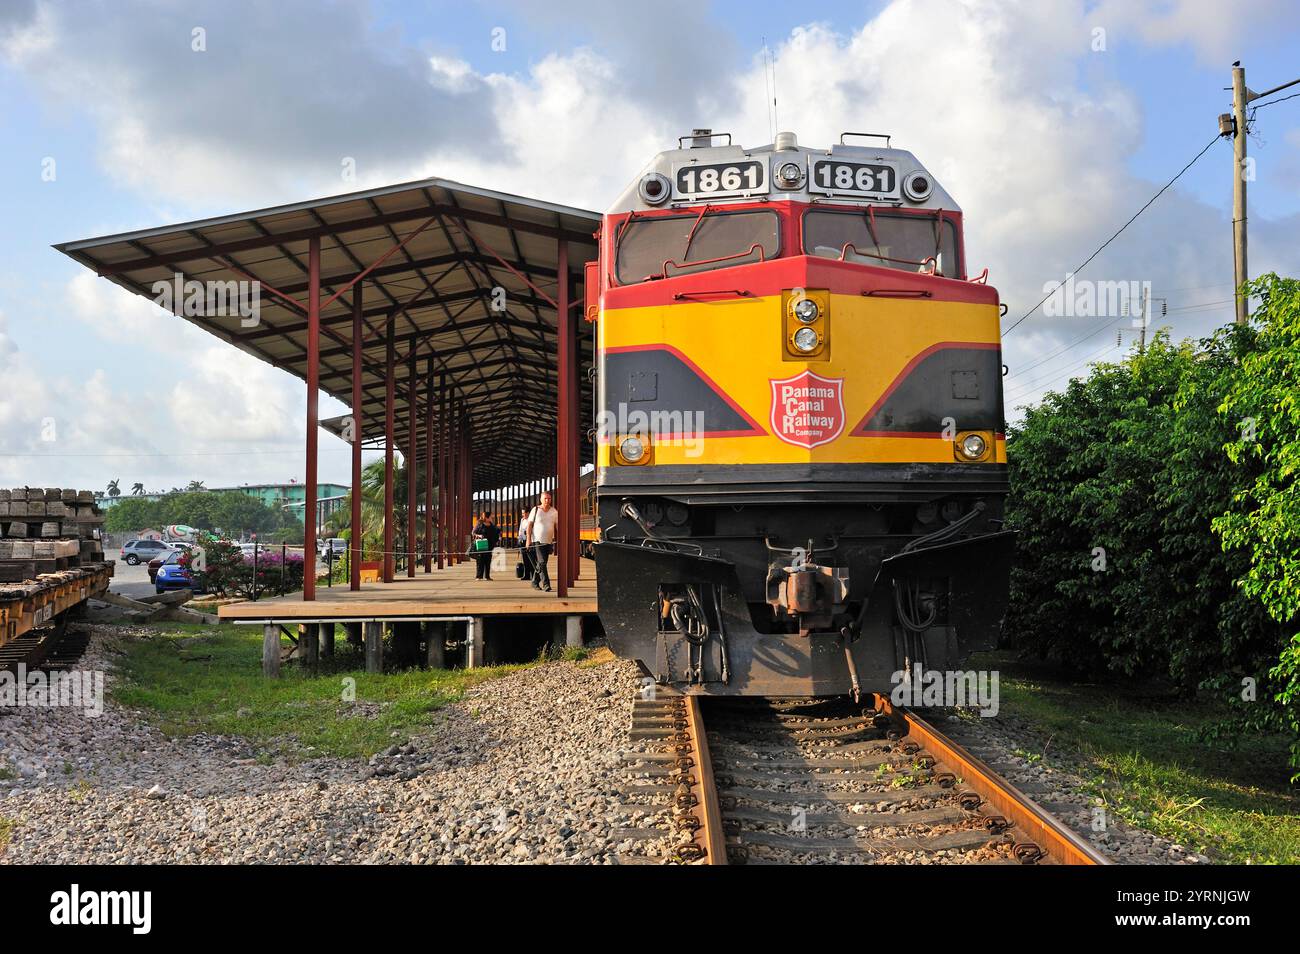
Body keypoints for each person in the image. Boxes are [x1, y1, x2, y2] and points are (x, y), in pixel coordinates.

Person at [525, 491, 558, 592]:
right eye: (545, 499)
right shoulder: (535, 510)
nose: (547, 501)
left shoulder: (554, 511)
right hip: (537, 541)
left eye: (549, 499)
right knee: (542, 562)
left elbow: (557, 526)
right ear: (541, 500)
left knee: (541, 563)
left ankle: (535, 581)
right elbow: (529, 526)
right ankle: (546, 584)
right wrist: (528, 539)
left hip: (548, 541)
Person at [471, 511, 500, 580]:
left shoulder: (491, 525)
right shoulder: (480, 524)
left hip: (489, 545)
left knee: (488, 561)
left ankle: (487, 576)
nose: (492, 518)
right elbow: (473, 533)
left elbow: (495, 533)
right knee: (480, 560)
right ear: (487, 517)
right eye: (490, 517)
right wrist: (479, 535)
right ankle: (479, 576)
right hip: (481, 544)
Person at [517, 507, 533, 580]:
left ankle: (533, 575)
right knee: (525, 559)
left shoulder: (532, 520)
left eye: (524, 513)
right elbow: (520, 530)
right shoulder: (522, 520)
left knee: (531, 559)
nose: (523, 514)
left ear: (528, 513)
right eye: (522, 513)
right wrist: (519, 539)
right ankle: (526, 575)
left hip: (530, 541)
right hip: (523, 541)